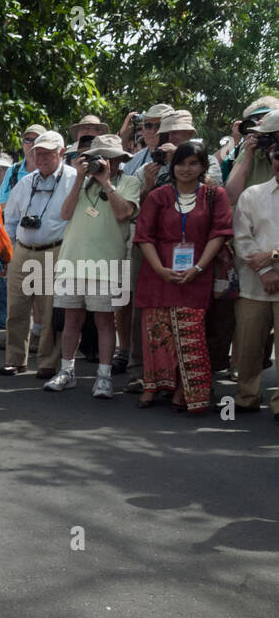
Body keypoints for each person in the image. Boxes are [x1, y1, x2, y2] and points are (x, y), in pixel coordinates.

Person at [132, 142, 234, 414]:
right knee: (156, 335)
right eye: (181, 163)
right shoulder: (159, 195)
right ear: (172, 166)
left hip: (196, 275)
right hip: (158, 274)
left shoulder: (215, 195)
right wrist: (160, 269)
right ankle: (152, 385)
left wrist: (199, 268)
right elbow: (143, 236)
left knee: (190, 335)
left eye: (193, 163)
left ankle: (186, 390)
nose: (186, 169)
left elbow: (219, 234)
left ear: (202, 166)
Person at [45, 134, 141, 398]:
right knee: (71, 321)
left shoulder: (130, 182)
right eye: (99, 157)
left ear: (120, 160)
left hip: (106, 264)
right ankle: (66, 372)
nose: (103, 161)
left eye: (109, 157)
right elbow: (65, 214)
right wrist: (79, 178)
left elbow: (124, 213)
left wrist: (106, 182)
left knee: (104, 322)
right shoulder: (81, 183)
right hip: (72, 261)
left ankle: (104, 376)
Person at [1, 129, 74, 378]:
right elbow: (10, 219)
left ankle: (47, 362)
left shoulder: (74, 179)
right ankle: (15, 359)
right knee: (16, 309)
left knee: (50, 310)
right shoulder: (26, 181)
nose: (41, 158)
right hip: (22, 251)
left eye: (47, 153)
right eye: (38, 153)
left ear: (61, 153)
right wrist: (9, 251)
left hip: (54, 251)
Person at [229, 141, 279, 422]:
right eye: (277, 161)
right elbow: (241, 237)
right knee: (248, 346)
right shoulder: (253, 194)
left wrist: (272, 256)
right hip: (253, 284)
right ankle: (246, 397)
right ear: (271, 159)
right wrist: (265, 271)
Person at [0, 125, 45, 203]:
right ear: (22, 144)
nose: (32, 144)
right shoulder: (13, 170)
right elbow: (2, 202)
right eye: (27, 140)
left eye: (37, 140)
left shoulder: (51, 170)